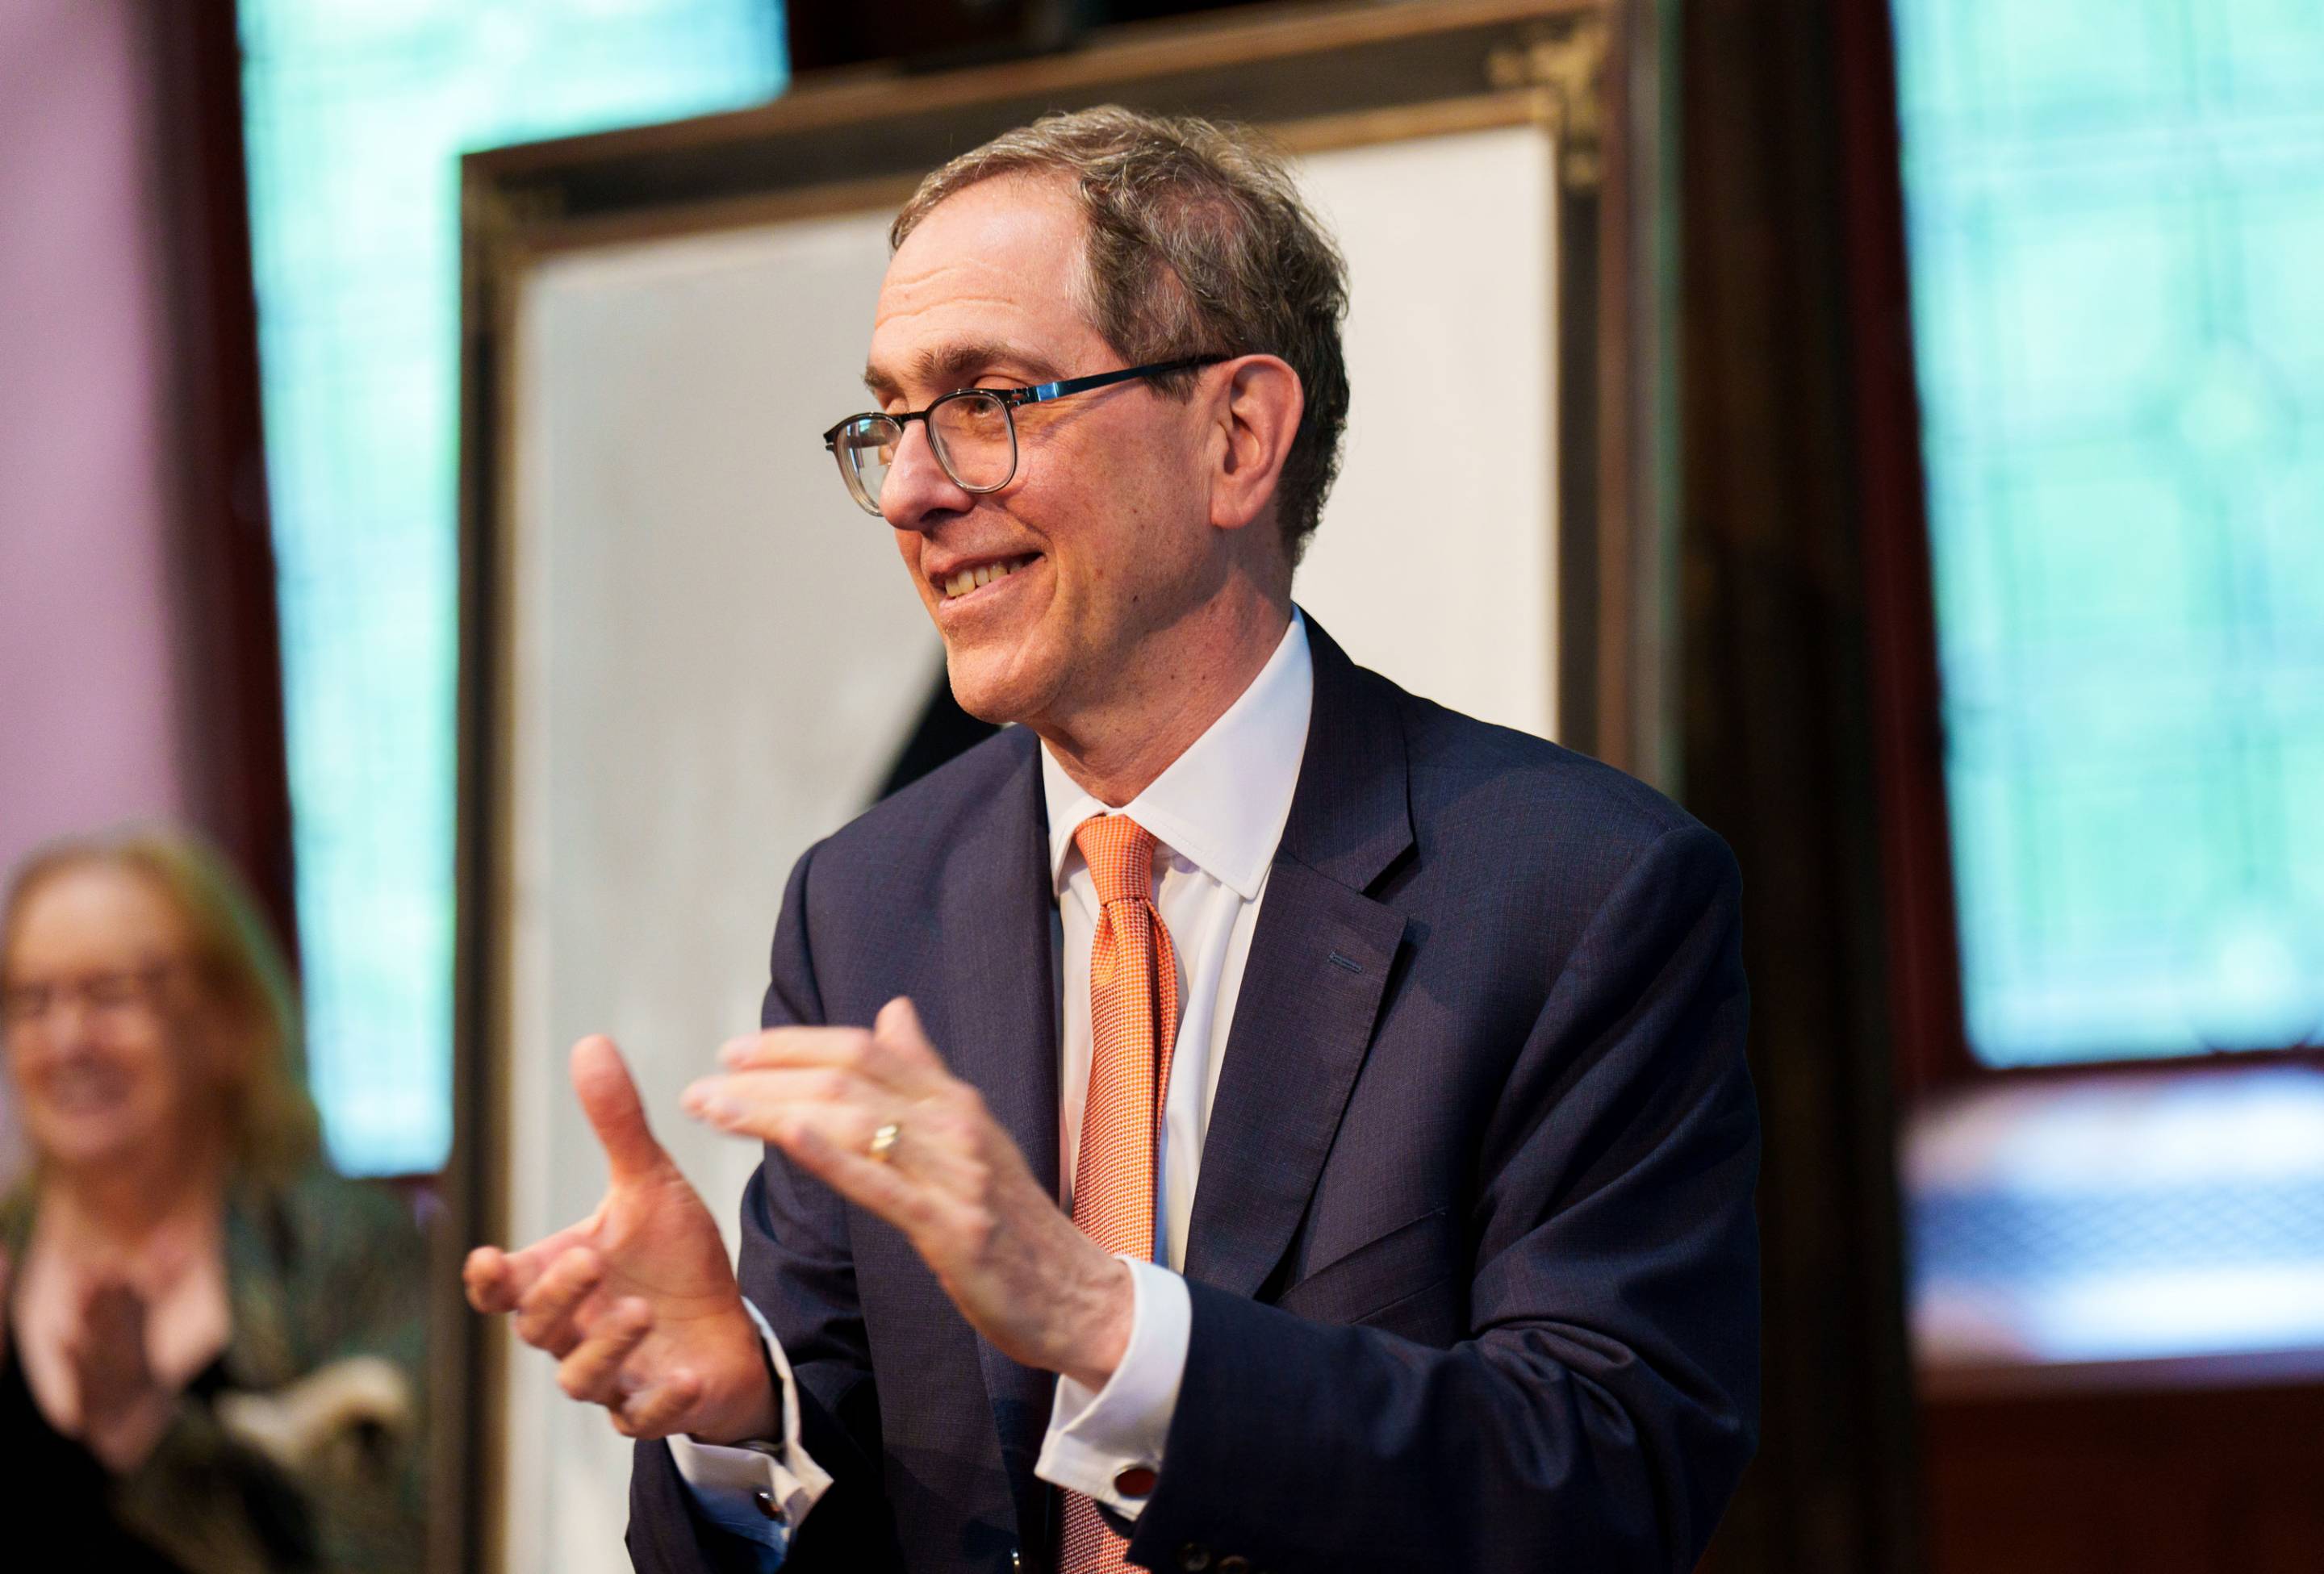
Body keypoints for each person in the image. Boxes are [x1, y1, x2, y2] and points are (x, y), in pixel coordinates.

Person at [466, 106, 1758, 1574]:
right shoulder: (865, 903)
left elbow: (1602, 1478)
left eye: (988, 401)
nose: (913, 490)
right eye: (890, 418)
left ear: (1237, 436)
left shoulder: (1580, 894)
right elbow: (852, 1485)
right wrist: (739, 1420)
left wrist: (1100, 1322)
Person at [0, 830, 428, 1573]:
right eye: (32, 1002)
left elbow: (408, 1545)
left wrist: (153, 1436)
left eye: (111, 993)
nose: (67, 1040)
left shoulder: (343, 1250)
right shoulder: (11, 1244)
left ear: (228, 1019)